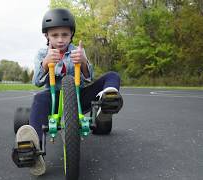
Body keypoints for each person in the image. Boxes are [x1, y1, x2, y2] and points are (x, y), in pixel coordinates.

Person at [14, 8, 123, 176]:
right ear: (47, 36)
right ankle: (33, 147)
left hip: (79, 97)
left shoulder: (78, 51)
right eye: (55, 35)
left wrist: (84, 62)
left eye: (64, 35)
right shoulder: (42, 53)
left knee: (113, 75)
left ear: (71, 34)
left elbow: (89, 78)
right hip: (54, 98)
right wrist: (45, 63)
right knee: (38, 98)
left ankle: (107, 101)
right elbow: (36, 81)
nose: (60, 40)